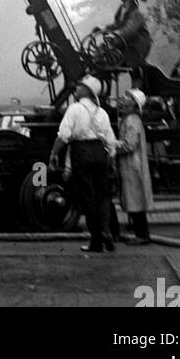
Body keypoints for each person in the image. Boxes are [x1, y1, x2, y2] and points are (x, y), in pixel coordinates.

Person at [49, 74, 117, 254]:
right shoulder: (102, 112)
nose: (76, 88)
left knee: (88, 197)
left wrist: (53, 153)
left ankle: (96, 241)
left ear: (87, 91)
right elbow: (111, 141)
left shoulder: (75, 109)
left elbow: (63, 136)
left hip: (82, 152)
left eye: (79, 86)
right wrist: (111, 159)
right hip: (100, 152)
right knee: (103, 195)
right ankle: (106, 231)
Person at [115, 89, 154, 243]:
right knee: (134, 200)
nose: (121, 100)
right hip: (131, 166)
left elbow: (129, 145)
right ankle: (141, 234)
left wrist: (112, 145)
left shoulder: (131, 121)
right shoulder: (130, 119)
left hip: (132, 166)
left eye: (126, 98)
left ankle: (142, 236)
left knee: (135, 201)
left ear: (133, 105)